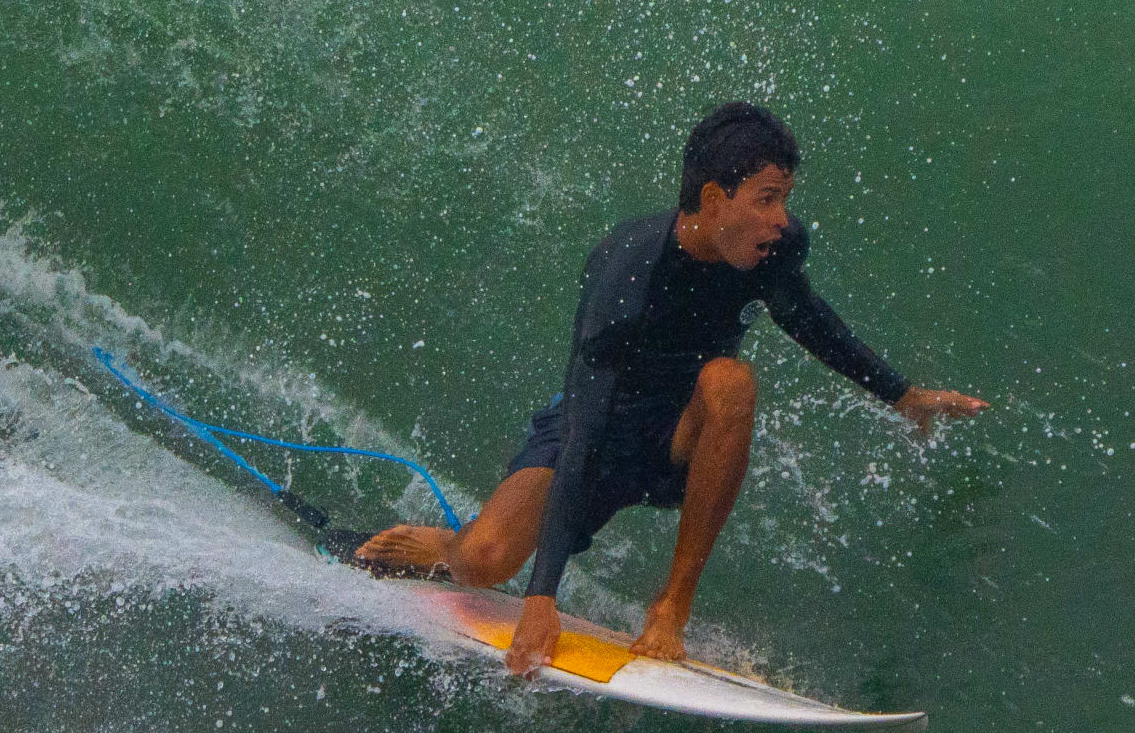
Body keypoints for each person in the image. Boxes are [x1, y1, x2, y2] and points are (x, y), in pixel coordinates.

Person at [353, 102, 987, 675]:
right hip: (592, 434)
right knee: (486, 560)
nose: (781, 219)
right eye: (765, 200)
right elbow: (582, 431)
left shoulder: (771, 251)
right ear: (713, 201)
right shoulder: (624, 276)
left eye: (784, 199)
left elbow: (807, 320)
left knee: (729, 381)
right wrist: (540, 598)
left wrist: (902, 395)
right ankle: (439, 545)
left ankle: (670, 608)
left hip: (682, 436)